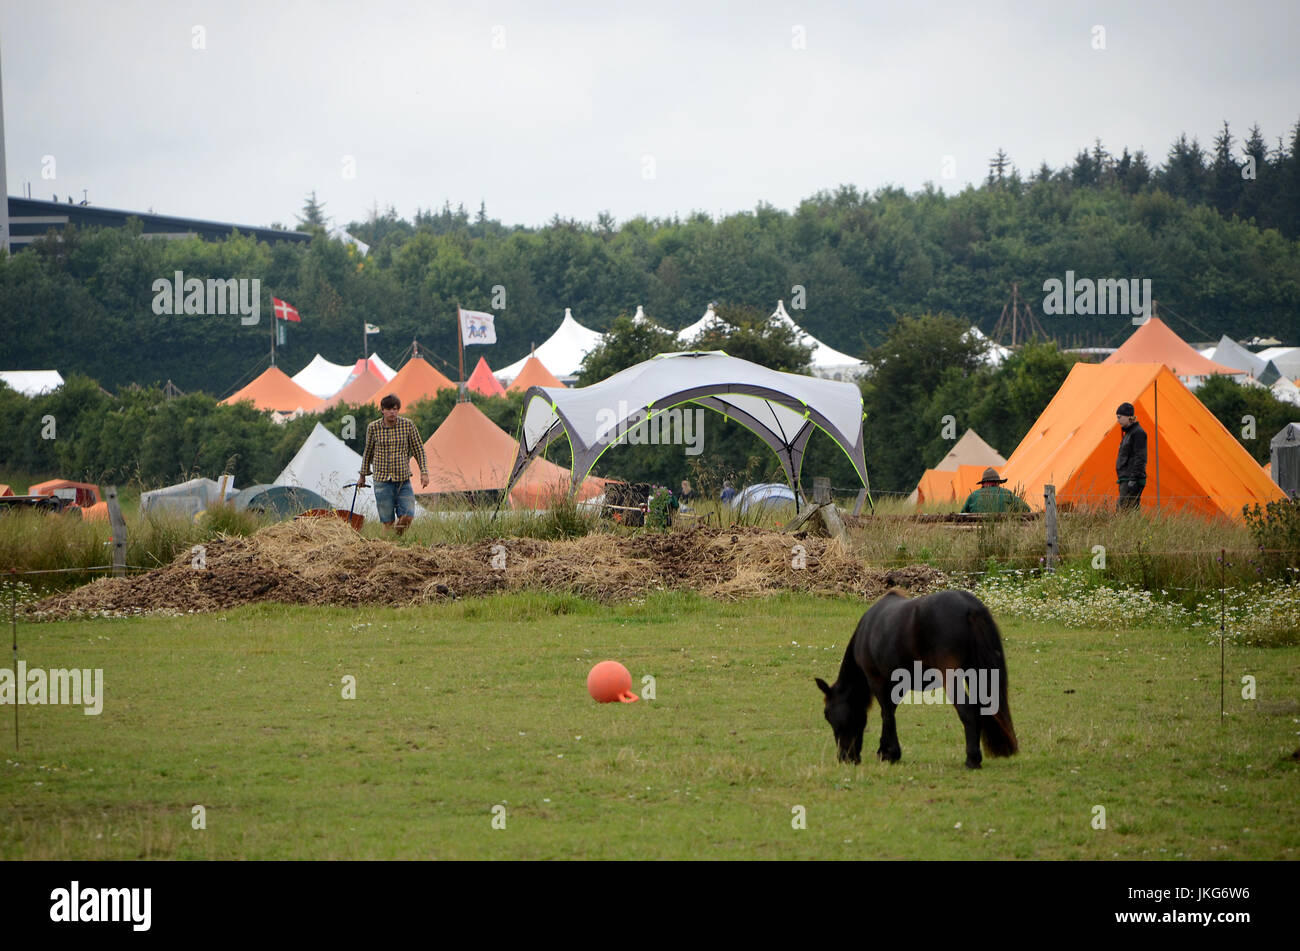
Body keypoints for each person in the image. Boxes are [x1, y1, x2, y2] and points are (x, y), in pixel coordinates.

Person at [358, 394, 429, 535]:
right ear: (382, 410)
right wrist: (363, 476)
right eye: (389, 409)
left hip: (402, 478)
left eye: (395, 409)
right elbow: (368, 452)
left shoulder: (408, 425)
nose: (392, 412)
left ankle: (395, 540)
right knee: (387, 521)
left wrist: (424, 472)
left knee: (408, 515)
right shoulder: (373, 428)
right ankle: (390, 546)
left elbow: (418, 449)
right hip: (382, 479)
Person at [1115, 401, 1147, 510]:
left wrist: (1133, 480)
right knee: (1127, 511)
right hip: (1126, 478)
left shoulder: (1138, 433)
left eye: (1119, 417)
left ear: (1129, 417)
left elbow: (1141, 458)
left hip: (1131, 479)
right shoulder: (1129, 433)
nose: (1118, 420)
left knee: (1124, 511)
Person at [960, 468, 1030, 514]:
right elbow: (1026, 509)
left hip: (977, 531)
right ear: (998, 482)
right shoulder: (1007, 494)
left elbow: (962, 515)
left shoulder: (973, 496)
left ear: (983, 483)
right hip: (1003, 531)